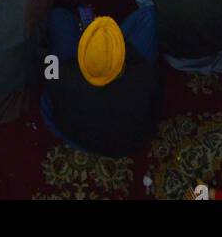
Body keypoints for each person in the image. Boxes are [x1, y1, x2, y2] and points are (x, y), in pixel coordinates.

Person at [44, 13, 162, 155]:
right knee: (149, 16)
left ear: (81, 57)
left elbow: (50, 75)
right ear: (122, 61)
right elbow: (154, 113)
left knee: (57, 16)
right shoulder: (143, 76)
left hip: (76, 137)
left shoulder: (61, 73)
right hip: (124, 146)